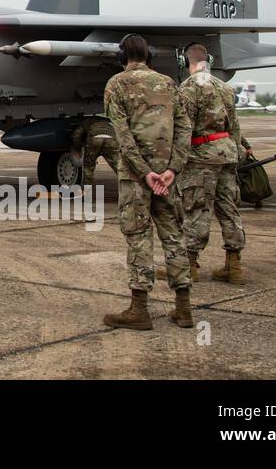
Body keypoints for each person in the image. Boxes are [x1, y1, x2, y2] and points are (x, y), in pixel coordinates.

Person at [102, 33, 194, 330]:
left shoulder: (116, 84)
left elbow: (123, 136)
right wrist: (172, 170)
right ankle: (183, 308)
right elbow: (183, 128)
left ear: (122, 57)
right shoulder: (168, 83)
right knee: (174, 236)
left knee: (138, 236)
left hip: (135, 176)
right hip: (166, 174)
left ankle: (139, 309)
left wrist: (144, 172)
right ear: (148, 56)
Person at [176, 43, 247, 285]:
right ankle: (233, 265)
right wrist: (237, 153)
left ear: (186, 63)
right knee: (228, 208)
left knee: (197, 208)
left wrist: (174, 161)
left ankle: (190, 264)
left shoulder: (187, 89)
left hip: (201, 156)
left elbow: (183, 128)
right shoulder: (225, 88)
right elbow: (234, 127)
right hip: (227, 153)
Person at [73, 116, 118, 190]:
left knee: (88, 167)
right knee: (118, 166)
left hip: (94, 140)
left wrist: (77, 148)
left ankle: (87, 193)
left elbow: (77, 134)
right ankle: (128, 189)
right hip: (111, 140)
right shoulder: (108, 122)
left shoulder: (86, 122)